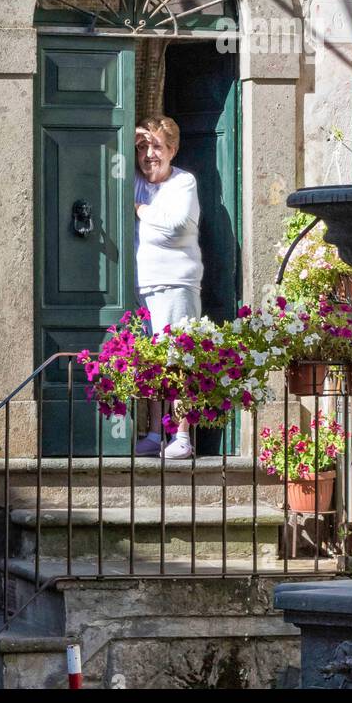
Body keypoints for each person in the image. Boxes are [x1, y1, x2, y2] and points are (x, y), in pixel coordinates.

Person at [132, 115, 202, 459]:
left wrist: (142, 211)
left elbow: (176, 226)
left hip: (177, 283)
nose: (149, 154)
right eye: (142, 146)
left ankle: (183, 436)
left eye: (156, 146)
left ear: (172, 149)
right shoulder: (133, 182)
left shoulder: (183, 183)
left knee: (179, 360)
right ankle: (155, 432)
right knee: (151, 362)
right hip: (143, 285)